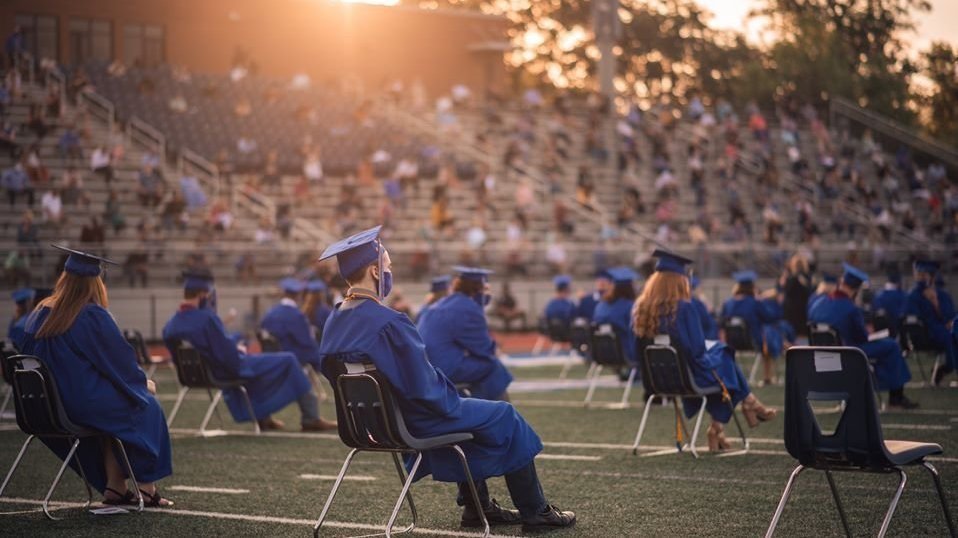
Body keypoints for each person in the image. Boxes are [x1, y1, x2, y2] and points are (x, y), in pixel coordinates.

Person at [317, 226, 575, 532]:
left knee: (477, 416)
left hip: (368, 426)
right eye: (387, 266)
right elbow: (424, 388)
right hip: (412, 422)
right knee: (504, 415)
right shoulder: (389, 322)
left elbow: (331, 371)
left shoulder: (334, 320)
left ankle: (477, 509)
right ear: (374, 271)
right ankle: (536, 512)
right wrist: (455, 397)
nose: (389, 272)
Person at [18, 245, 173, 507]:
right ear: (95, 282)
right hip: (79, 404)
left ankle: (115, 488)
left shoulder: (40, 313)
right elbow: (118, 362)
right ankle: (146, 489)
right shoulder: (90, 315)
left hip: (42, 406)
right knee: (146, 406)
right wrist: (140, 383)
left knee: (112, 417)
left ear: (64, 278)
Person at [633, 249, 777, 452]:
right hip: (689, 379)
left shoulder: (641, 308)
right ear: (679, 280)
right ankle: (739, 410)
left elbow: (638, 349)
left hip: (657, 381)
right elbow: (697, 350)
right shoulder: (684, 308)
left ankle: (739, 413)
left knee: (722, 360)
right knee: (725, 359)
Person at [162, 269, 334, 431]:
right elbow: (228, 356)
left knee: (264, 366)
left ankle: (263, 417)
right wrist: (238, 347)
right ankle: (310, 417)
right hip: (224, 370)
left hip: (193, 375)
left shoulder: (170, 325)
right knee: (288, 359)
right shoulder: (206, 319)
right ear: (202, 294)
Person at [809, 263, 917, 408]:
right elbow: (862, 337)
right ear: (856, 289)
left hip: (820, 356)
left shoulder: (818, 303)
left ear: (842, 282)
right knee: (891, 346)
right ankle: (896, 397)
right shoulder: (850, 308)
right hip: (848, 353)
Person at [418, 265, 513, 401]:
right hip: (443, 367)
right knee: (493, 366)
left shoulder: (445, 303)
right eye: (486, 289)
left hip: (426, 365)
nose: (488, 294)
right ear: (477, 289)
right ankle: (490, 411)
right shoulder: (468, 308)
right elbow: (484, 349)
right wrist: (494, 349)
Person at [260, 278, 328, 380]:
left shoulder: (270, 313)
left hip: (273, 359)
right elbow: (306, 343)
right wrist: (319, 364)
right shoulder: (296, 316)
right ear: (298, 295)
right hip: (294, 359)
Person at [905, 260, 956, 385]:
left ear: (932, 276)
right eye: (919, 274)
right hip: (927, 334)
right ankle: (948, 367)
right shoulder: (913, 295)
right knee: (949, 336)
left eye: (925, 274)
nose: (922, 278)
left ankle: (946, 368)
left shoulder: (942, 295)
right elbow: (913, 319)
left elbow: (950, 316)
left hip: (945, 329)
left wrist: (936, 303)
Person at [593, 267, 640, 366]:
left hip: (602, 352)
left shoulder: (600, 306)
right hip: (627, 352)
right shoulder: (631, 306)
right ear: (630, 287)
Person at [779, 253, 812, 337]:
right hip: (801, 309)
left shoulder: (792, 278)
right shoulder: (806, 277)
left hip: (793, 310)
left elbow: (786, 291)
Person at [872, 270, 907, 337]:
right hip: (897, 329)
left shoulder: (878, 296)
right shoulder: (902, 296)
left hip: (881, 333)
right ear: (899, 282)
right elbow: (903, 313)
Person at [690, 276, 718, 340]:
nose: (701, 289)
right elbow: (708, 321)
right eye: (699, 287)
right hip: (704, 336)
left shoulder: (695, 302)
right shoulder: (697, 303)